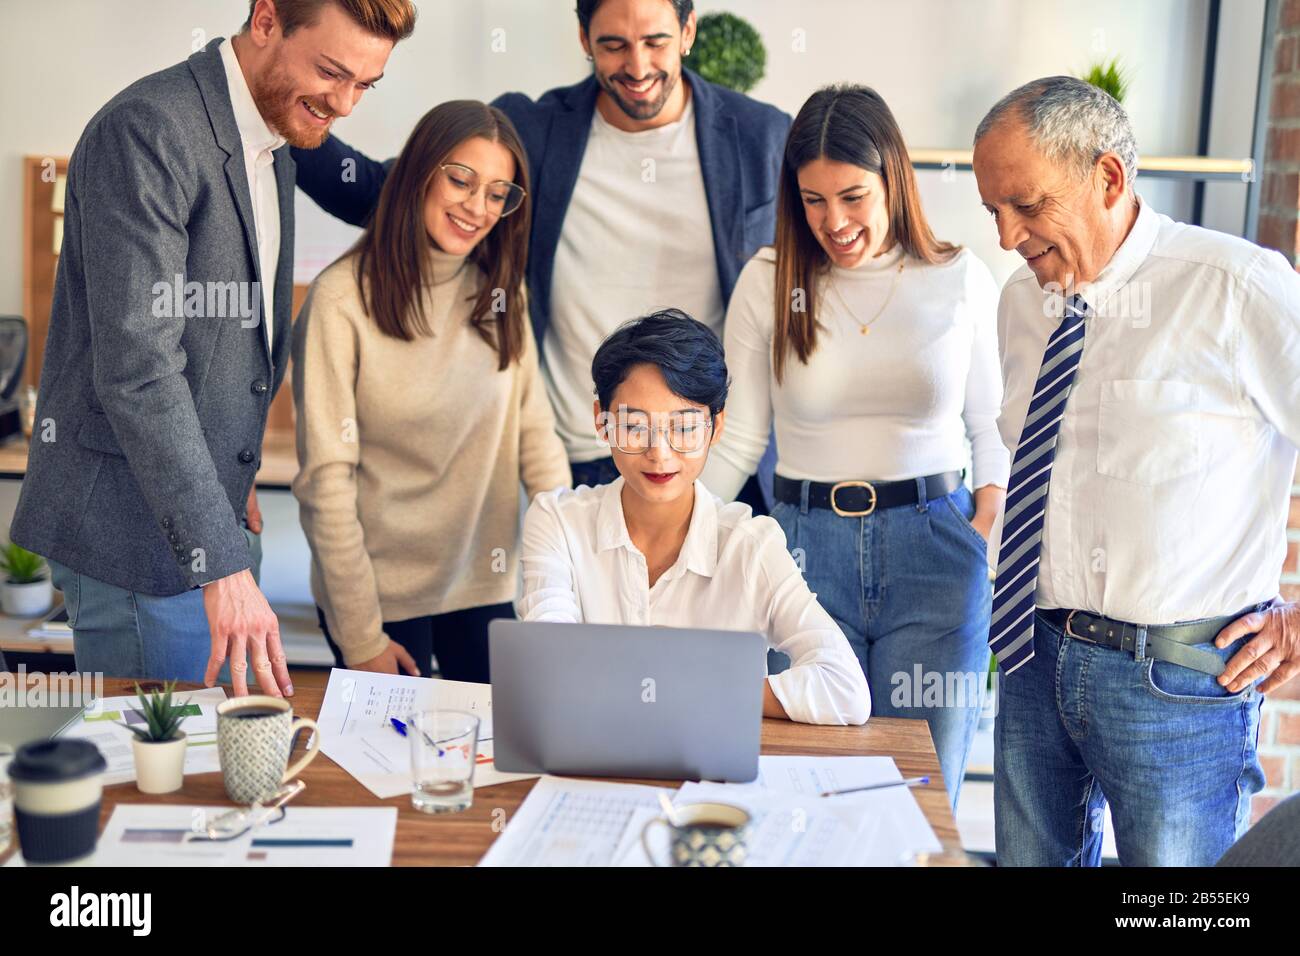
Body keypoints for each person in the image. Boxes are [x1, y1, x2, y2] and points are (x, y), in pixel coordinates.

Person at [9, 0, 415, 697]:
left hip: (208, 518)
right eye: (331, 72)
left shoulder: (277, 128)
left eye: (364, 84)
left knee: (205, 771)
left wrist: (235, 460)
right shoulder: (150, 131)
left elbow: (221, 334)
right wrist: (221, 564)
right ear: (265, 21)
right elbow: (140, 370)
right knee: (160, 782)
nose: (345, 103)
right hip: (134, 540)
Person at [973, 75, 1300, 866]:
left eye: (1026, 205)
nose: (1007, 235)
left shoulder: (1236, 287)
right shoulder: (1021, 303)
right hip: (1029, 659)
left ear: (1109, 177)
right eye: (993, 211)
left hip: (1178, 691)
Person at [291, 0, 789, 512]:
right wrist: (279, 111)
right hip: (578, 460)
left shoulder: (761, 137)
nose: (637, 67)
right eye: (613, 45)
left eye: (656, 42)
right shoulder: (536, 131)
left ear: (688, 32)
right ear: (583, 40)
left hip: (711, 459)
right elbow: (385, 193)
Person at [700, 84, 1007, 807]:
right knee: (803, 789)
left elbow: (992, 430)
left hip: (937, 551)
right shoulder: (769, 282)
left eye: (853, 196)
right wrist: (666, 534)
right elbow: (739, 436)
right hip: (804, 555)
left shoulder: (959, 278)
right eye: (812, 200)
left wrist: (982, 541)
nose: (833, 221)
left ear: (892, 180)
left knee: (922, 797)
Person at [292, 101, 569, 682]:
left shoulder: (499, 292)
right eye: (461, 180)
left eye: (498, 193)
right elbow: (326, 481)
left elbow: (536, 440)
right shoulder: (340, 301)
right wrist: (361, 635)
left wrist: (565, 578)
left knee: (501, 761)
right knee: (387, 768)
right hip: (380, 597)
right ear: (420, 172)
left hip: (484, 582)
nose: (477, 207)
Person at [518, 311, 871, 726]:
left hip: (710, 777)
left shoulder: (750, 545)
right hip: (590, 763)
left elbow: (845, 689)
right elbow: (546, 666)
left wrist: (687, 686)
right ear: (602, 421)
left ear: (716, 426)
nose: (660, 453)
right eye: (635, 426)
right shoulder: (558, 522)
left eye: (684, 427)